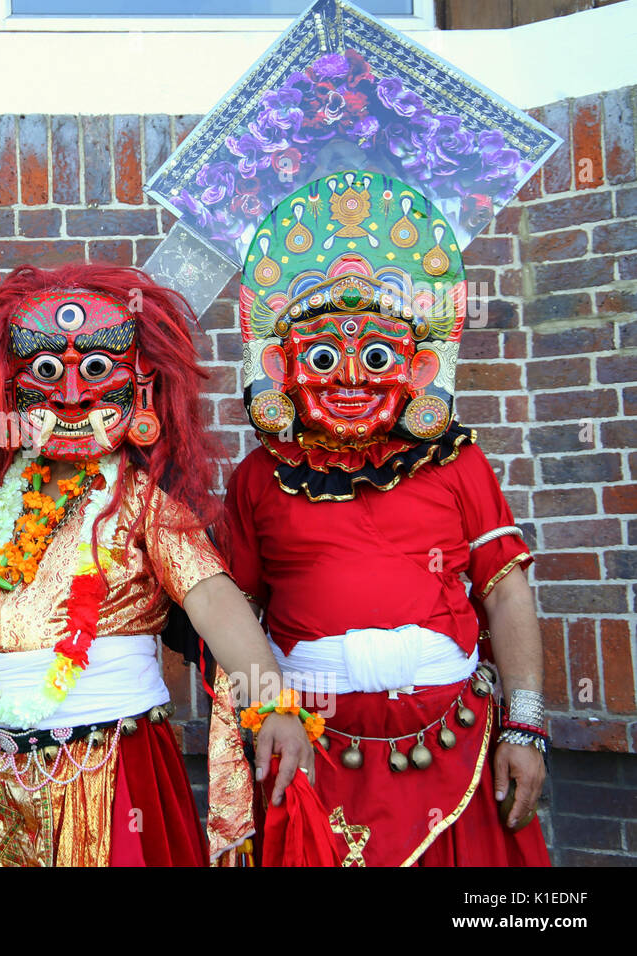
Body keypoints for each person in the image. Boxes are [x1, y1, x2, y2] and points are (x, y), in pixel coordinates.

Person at [0, 247, 314, 866]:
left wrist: (270, 699)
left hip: (116, 769)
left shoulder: (144, 501)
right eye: (44, 371)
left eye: (95, 370)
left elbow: (215, 601)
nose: (69, 396)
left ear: (139, 387)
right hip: (3, 775)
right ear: (8, 387)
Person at [222, 171, 551, 866]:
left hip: (455, 747)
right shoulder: (259, 476)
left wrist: (525, 729)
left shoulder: (457, 462)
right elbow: (233, 619)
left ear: (418, 369)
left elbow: (506, 590)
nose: (348, 379)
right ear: (281, 367)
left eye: (375, 356)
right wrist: (263, 719)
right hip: (310, 753)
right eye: (321, 357)